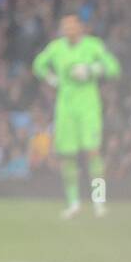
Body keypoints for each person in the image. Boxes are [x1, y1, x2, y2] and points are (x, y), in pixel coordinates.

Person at [32, 13, 121, 218]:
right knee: (67, 155)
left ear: (81, 27)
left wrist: (92, 70)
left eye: (72, 26)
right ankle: (73, 203)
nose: (68, 30)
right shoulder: (56, 47)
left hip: (89, 108)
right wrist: (51, 79)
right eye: (65, 27)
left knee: (92, 152)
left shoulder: (93, 45)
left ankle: (99, 202)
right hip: (65, 109)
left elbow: (114, 68)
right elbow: (38, 65)